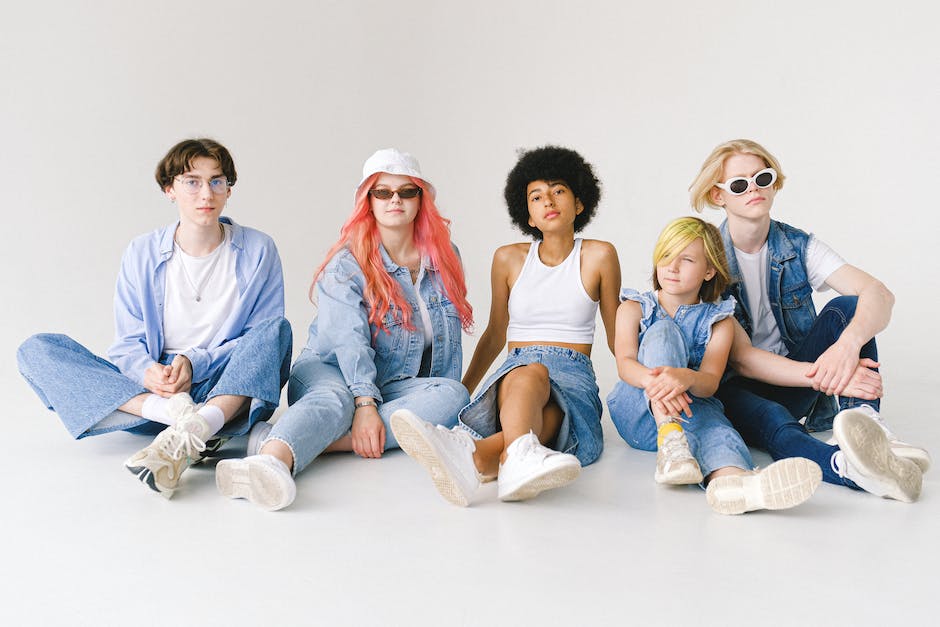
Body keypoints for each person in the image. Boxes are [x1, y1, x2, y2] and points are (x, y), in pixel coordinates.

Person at [17, 138, 291, 498]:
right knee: (36, 350)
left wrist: (195, 361)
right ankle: (187, 422)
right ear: (169, 189)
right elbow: (127, 342)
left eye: (216, 181)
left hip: (227, 387)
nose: (205, 193)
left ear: (228, 190)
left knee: (277, 331)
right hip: (159, 395)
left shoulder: (258, 249)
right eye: (191, 181)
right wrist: (148, 371)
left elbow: (260, 336)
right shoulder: (142, 252)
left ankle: (195, 430)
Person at [216, 148, 473, 511]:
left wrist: (443, 416)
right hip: (329, 368)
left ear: (421, 199)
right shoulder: (348, 264)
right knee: (337, 401)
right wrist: (365, 403)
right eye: (382, 192)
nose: (394, 200)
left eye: (406, 191)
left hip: (393, 382)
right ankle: (270, 461)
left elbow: (446, 349)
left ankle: (297, 438)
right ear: (368, 201)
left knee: (453, 396)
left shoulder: (446, 258)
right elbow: (349, 342)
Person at [689, 138, 928, 502]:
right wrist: (827, 375)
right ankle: (852, 470)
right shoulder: (709, 260)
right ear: (719, 196)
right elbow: (742, 359)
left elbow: (880, 295)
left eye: (762, 178)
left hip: (799, 379)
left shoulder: (797, 245)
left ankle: (866, 424)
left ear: (774, 183)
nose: (753, 189)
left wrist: (845, 350)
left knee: (849, 305)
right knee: (775, 423)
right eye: (739, 184)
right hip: (736, 389)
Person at [391, 146, 621, 506]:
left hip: (573, 374)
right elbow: (497, 333)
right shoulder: (508, 259)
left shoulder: (599, 255)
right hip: (516, 371)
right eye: (536, 195)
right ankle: (513, 460)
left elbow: (616, 333)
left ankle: (473, 454)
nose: (549, 200)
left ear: (579, 203)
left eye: (559, 190)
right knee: (528, 373)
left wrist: (647, 386)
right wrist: (462, 393)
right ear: (527, 214)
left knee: (543, 400)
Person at [606, 216, 830, 514]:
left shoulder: (720, 321)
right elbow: (625, 364)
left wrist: (685, 377)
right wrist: (658, 380)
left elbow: (709, 381)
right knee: (662, 331)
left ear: (709, 270)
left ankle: (735, 484)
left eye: (686, 259)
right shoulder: (635, 308)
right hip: (639, 411)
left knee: (719, 430)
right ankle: (670, 437)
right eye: (666, 256)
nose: (672, 267)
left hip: (693, 409)